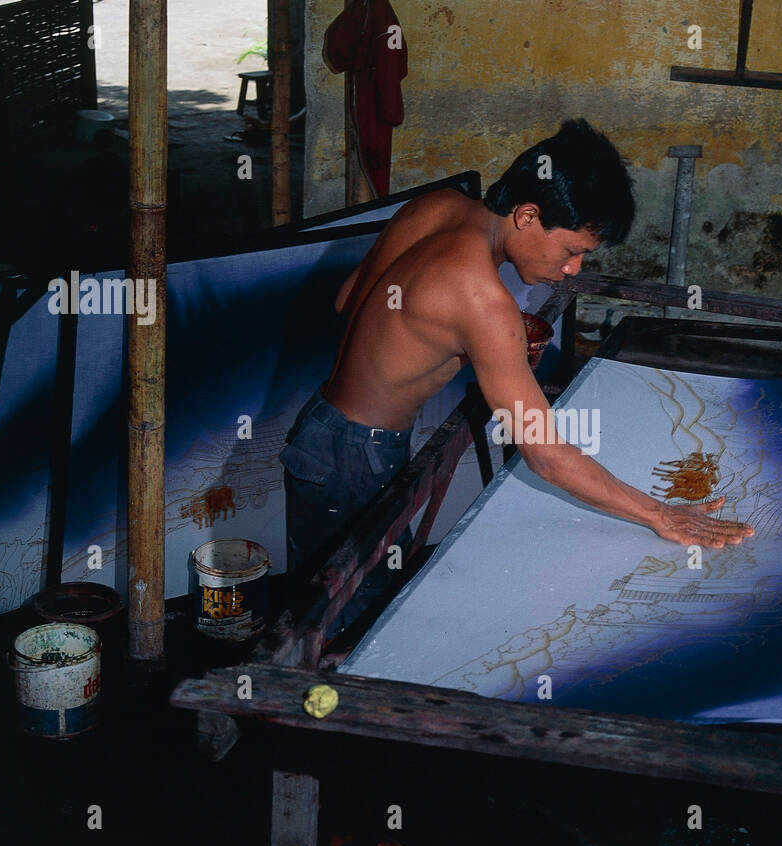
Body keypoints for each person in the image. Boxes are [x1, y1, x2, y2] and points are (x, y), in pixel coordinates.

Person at [281, 119, 753, 629]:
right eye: (573, 251)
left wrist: (447, 339)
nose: (572, 269)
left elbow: (347, 300)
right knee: (346, 628)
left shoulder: (436, 206)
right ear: (528, 215)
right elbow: (545, 455)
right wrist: (662, 515)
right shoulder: (483, 300)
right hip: (354, 459)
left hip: (321, 429)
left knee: (320, 606)